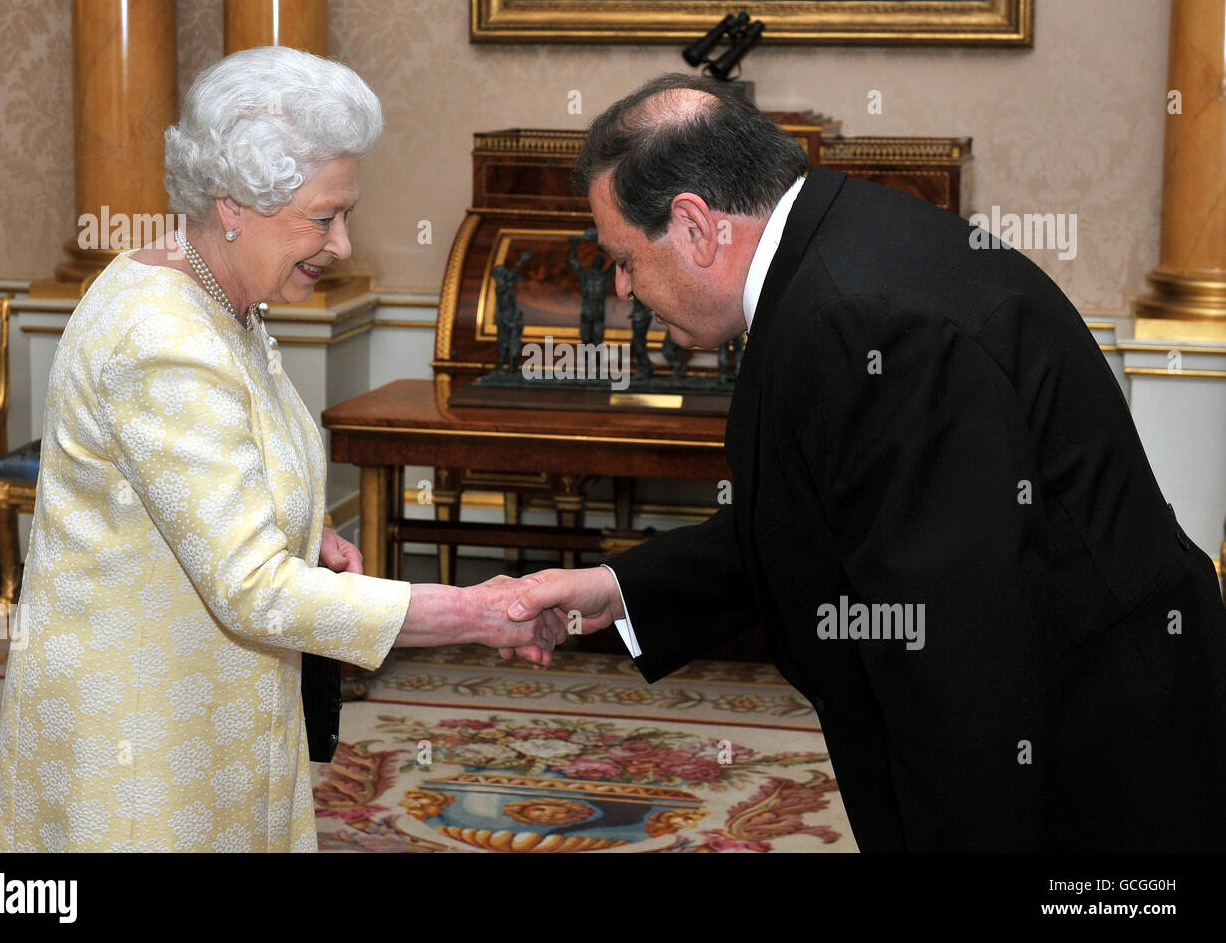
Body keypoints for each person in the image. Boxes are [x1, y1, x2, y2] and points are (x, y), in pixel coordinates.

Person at [505, 72, 1226, 852]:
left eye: (622, 258)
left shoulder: (864, 318)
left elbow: (958, 650)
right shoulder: (831, 253)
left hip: (1090, 739)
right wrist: (618, 589)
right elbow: (821, 515)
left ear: (695, 225)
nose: (622, 287)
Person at [0, 46, 561, 853]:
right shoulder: (163, 336)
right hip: (143, 748)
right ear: (232, 205)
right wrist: (472, 611)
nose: (344, 244)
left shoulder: (222, 302)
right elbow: (251, 586)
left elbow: (214, 479)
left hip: (215, 709)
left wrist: (304, 532)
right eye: (323, 217)